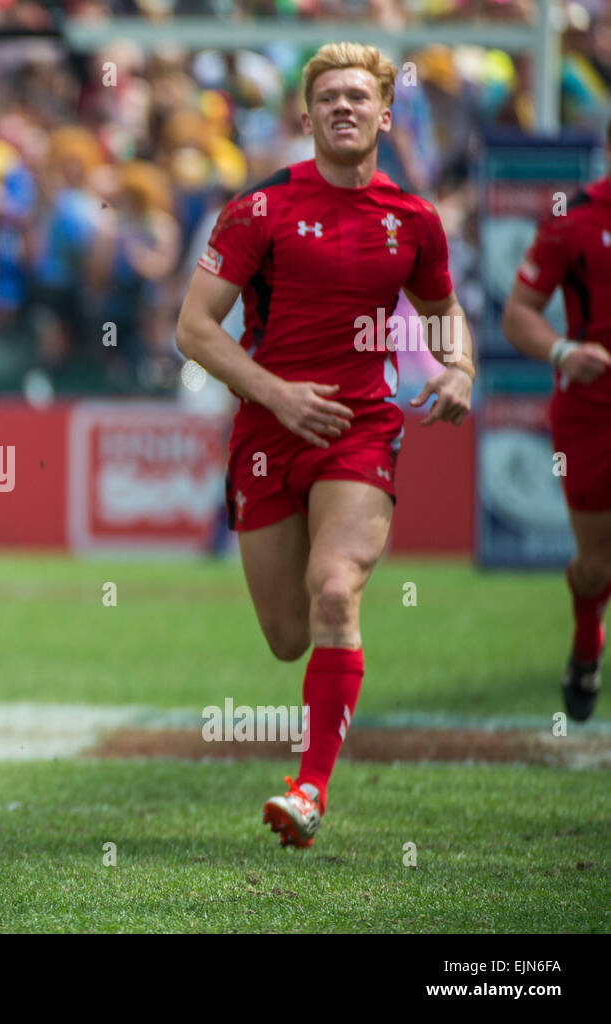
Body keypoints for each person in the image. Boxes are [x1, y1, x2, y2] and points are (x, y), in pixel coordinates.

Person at [175, 43, 474, 848]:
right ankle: (319, 695)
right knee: (286, 636)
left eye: (359, 96)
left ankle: (308, 789)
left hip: (360, 427)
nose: (344, 107)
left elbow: (444, 309)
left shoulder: (412, 218)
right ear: (307, 118)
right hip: (269, 432)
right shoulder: (258, 209)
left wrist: (460, 367)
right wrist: (277, 395)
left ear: (384, 113)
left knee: (335, 590)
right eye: (329, 97)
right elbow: (195, 328)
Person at [501, 122, 611, 722]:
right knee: (596, 562)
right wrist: (564, 352)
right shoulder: (574, 221)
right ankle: (587, 635)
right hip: (592, 413)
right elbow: (519, 313)